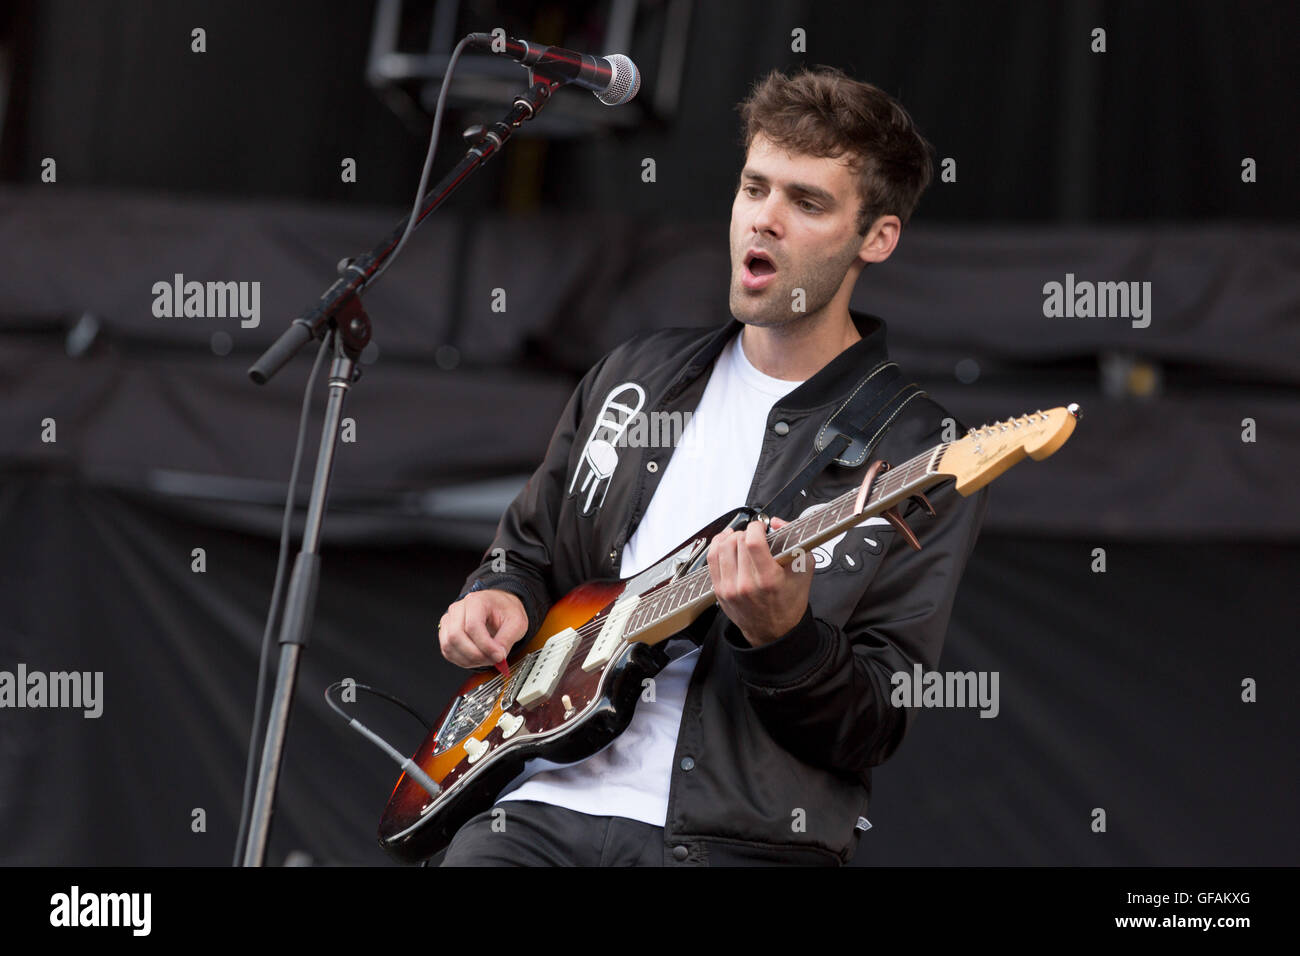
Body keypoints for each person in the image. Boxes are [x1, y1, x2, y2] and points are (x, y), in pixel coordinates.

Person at [436, 66, 989, 866]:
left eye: (806, 202)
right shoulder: (635, 374)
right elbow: (525, 551)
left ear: (878, 237)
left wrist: (786, 639)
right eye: (754, 187)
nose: (763, 220)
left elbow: (875, 721)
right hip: (532, 806)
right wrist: (494, 596)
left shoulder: (917, 449)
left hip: (736, 840)